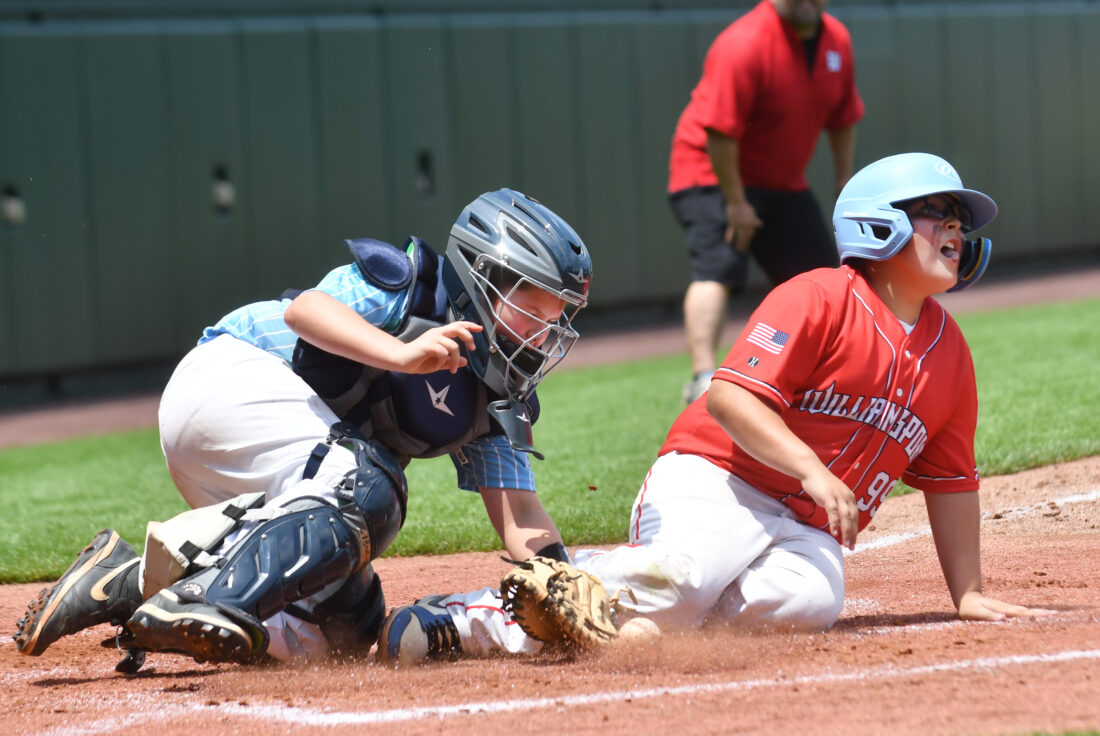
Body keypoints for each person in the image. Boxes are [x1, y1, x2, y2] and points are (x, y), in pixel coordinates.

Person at [379, 153, 1051, 665]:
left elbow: (952, 482)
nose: (955, 227)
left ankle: (633, 625)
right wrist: (812, 470)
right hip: (718, 478)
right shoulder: (820, 297)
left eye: (960, 219)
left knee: (809, 602)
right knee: (686, 576)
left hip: (806, 529)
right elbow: (729, 397)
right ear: (880, 225)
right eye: (935, 211)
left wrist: (967, 592)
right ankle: (467, 618)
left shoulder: (949, 354)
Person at [13, 188, 592, 668]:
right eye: (532, 311)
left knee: (345, 627)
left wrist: (565, 591)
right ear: (483, 278)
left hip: (280, 461)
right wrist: (401, 353)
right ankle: (212, 597)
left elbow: (520, 514)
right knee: (371, 487)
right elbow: (304, 311)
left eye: (554, 320)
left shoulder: (497, 394)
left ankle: (128, 580)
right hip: (225, 381)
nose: (542, 335)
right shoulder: (413, 284)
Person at [669, 0, 865, 404]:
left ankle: (829, 376)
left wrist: (844, 180)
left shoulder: (837, 40)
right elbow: (719, 131)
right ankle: (702, 381)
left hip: (782, 180)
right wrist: (736, 202)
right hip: (710, 174)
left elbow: (843, 117)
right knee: (718, 269)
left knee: (822, 279)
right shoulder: (743, 43)